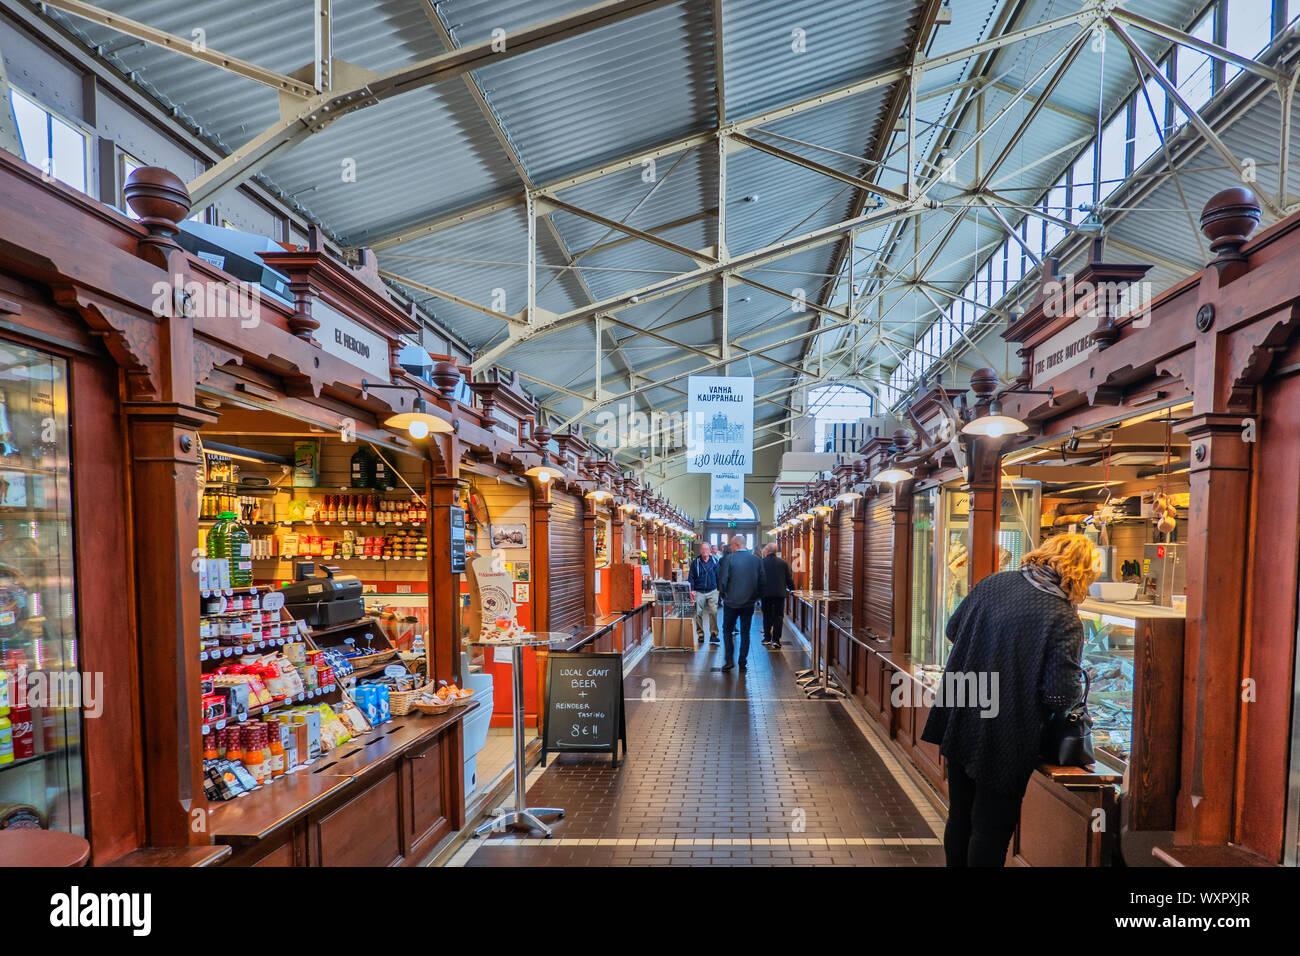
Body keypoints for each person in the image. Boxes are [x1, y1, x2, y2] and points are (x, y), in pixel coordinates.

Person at [920, 533, 1100, 867]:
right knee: (989, 830)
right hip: (1005, 734)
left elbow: (952, 629)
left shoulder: (993, 582)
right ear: (1080, 573)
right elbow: (1059, 696)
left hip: (962, 711)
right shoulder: (1063, 617)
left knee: (960, 817)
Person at [715, 534, 765, 672]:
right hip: (749, 603)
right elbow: (762, 580)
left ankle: (729, 661)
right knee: (745, 632)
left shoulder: (729, 559)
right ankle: (742, 662)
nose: (730, 547)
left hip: (730, 603)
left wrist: (723, 596)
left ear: (736, 545)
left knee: (727, 631)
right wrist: (757, 597)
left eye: (731, 545)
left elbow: (723, 580)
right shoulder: (756, 560)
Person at [759, 542, 794, 648]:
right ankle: (776, 640)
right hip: (779, 594)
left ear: (767, 551)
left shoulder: (762, 562)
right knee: (778, 617)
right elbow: (789, 579)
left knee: (767, 616)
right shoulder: (783, 563)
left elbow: (758, 579)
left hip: (765, 594)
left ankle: (766, 638)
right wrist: (793, 590)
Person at [687, 541, 721, 644]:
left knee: (713, 612)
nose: (704, 551)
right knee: (698, 613)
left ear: (710, 550)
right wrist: (692, 589)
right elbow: (691, 577)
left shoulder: (715, 561)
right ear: (700, 550)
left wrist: (720, 589)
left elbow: (719, 576)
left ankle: (713, 634)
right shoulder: (695, 562)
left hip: (713, 590)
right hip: (699, 591)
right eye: (703, 549)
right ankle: (700, 634)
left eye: (706, 549)